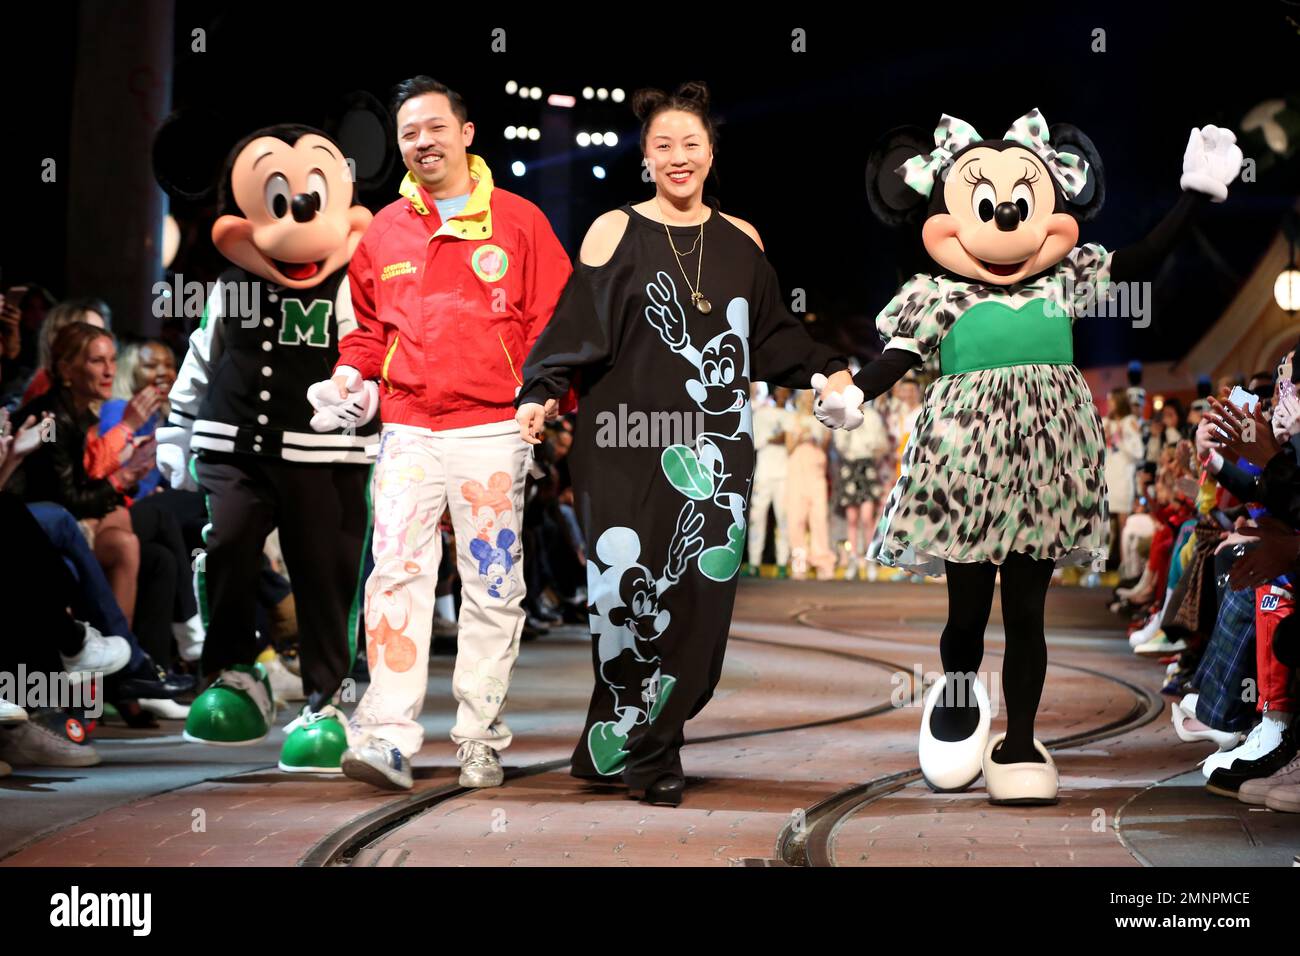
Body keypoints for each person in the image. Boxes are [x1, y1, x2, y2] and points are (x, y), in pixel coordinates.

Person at [835, 111, 1243, 805]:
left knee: (1027, 613)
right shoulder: (937, 293)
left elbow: (1140, 257)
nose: (1001, 220)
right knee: (966, 613)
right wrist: (855, 394)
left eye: (1019, 204)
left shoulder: (1065, 278)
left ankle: (1020, 738)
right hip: (961, 466)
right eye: (984, 206)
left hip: (1045, 464)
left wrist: (1194, 197)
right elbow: (897, 356)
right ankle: (960, 701)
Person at [514, 81, 853, 805]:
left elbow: (769, 337)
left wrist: (824, 366)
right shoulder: (614, 230)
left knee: (700, 610)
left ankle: (644, 742)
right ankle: (640, 750)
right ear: (645, 156)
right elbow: (577, 327)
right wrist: (541, 390)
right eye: (662, 145)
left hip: (718, 451)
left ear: (710, 153)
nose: (677, 157)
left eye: (690, 144)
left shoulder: (743, 241)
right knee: (626, 603)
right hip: (622, 446)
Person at [313, 76, 572, 792]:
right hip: (407, 429)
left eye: (433, 127)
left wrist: (545, 395)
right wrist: (348, 378)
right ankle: (386, 737)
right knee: (395, 575)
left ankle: (479, 739)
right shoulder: (386, 229)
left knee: (493, 585)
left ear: (466, 132)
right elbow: (366, 332)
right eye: (407, 133)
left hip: (493, 428)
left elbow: (558, 320)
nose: (421, 141)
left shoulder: (520, 223)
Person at [745, 385, 793, 576]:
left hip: (784, 474)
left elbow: (792, 442)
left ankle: (782, 563)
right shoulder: (762, 414)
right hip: (764, 473)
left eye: (786, 390)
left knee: (783, 519)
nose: (783, 393)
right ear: (774, 392)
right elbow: (753, 441)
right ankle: (754, 563)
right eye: (780, 390)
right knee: (757, 519)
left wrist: (785, 438)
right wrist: (774, 438)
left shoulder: (792, 416)